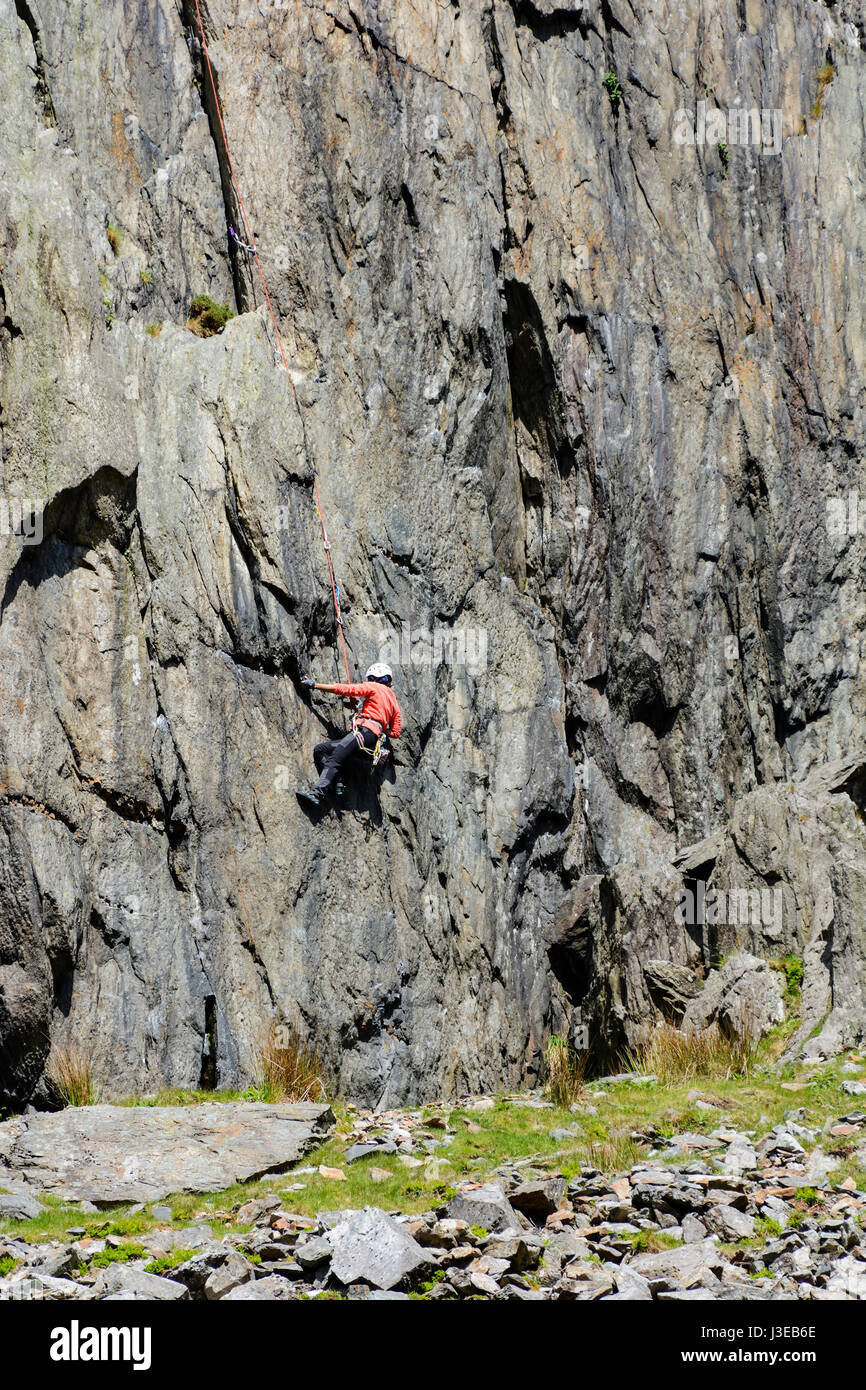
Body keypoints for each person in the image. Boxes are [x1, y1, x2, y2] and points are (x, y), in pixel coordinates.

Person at [297, 663, 402, 807]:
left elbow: (344, 689)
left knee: (334, 759)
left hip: (363, 734)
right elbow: (396, 732)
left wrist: (315, 685)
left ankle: (317, 793)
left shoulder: (373, 687)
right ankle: (338, 782)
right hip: (370, 744)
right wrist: (379, 726)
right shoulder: (393, 700)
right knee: (321, 749)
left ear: (374, 677)